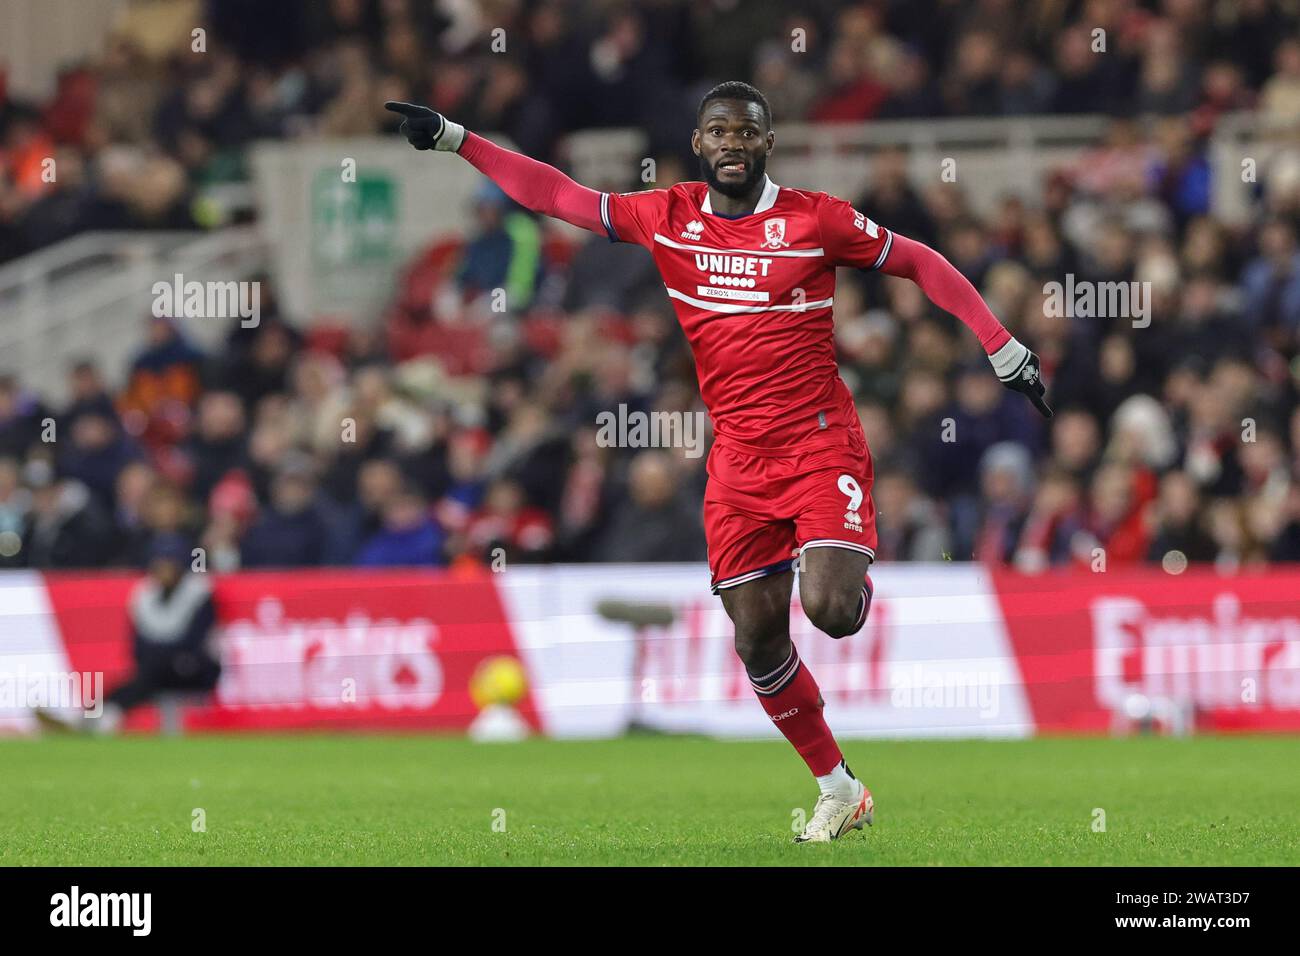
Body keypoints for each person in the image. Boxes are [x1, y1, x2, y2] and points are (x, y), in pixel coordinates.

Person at [386, 81, 1052, 843]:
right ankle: (839, 787)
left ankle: (846, 566)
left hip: (818, 442)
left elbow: (921, 262)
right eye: (719, 132)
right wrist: (454, 137)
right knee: (757, 640)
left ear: (767, 144)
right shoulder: (664, 216)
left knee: (830, 611)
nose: (732, 142)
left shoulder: (815, 220)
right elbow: (557, 195)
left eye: (747, 132)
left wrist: (1001, 344)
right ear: (699, 144)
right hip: (736, 463)